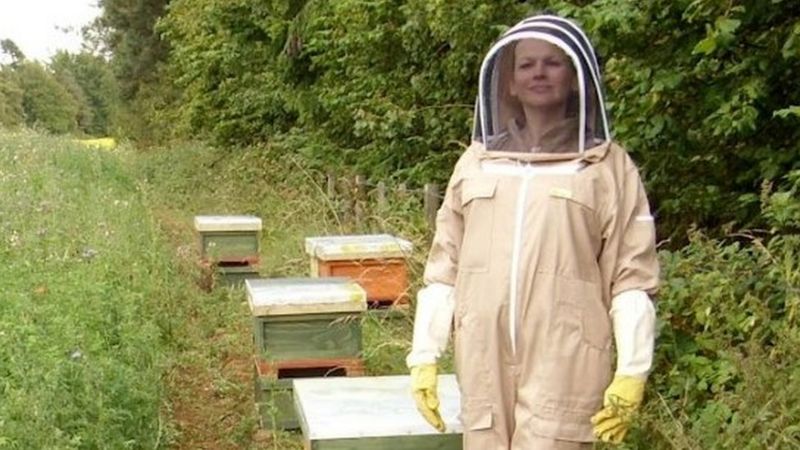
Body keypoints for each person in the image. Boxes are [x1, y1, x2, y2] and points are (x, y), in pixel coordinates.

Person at [406, 14, 659, 450]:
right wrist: (424, 355)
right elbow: (444, 266)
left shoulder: (608, 167)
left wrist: (632, 369)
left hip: (567, 359)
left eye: (553, 63)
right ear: (508, 81)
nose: (538, 73)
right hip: (482, 357)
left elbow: (631, 276)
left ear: (577, 78)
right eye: (526, 64)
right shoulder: (476, 162)